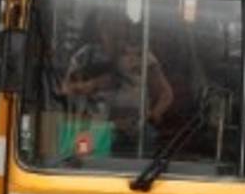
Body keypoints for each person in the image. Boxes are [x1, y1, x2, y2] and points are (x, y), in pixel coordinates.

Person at [61, 16, 174, 152]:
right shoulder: (85, 56)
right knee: (87, 170)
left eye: (118, 24)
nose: (114, 29)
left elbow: (166, 94)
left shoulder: (141, 55)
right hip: (94, 133)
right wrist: (93, 85)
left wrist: (153, 116)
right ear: (99, 26)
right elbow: (65, 90)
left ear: (125, 27)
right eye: (107, 24)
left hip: (135, 137)